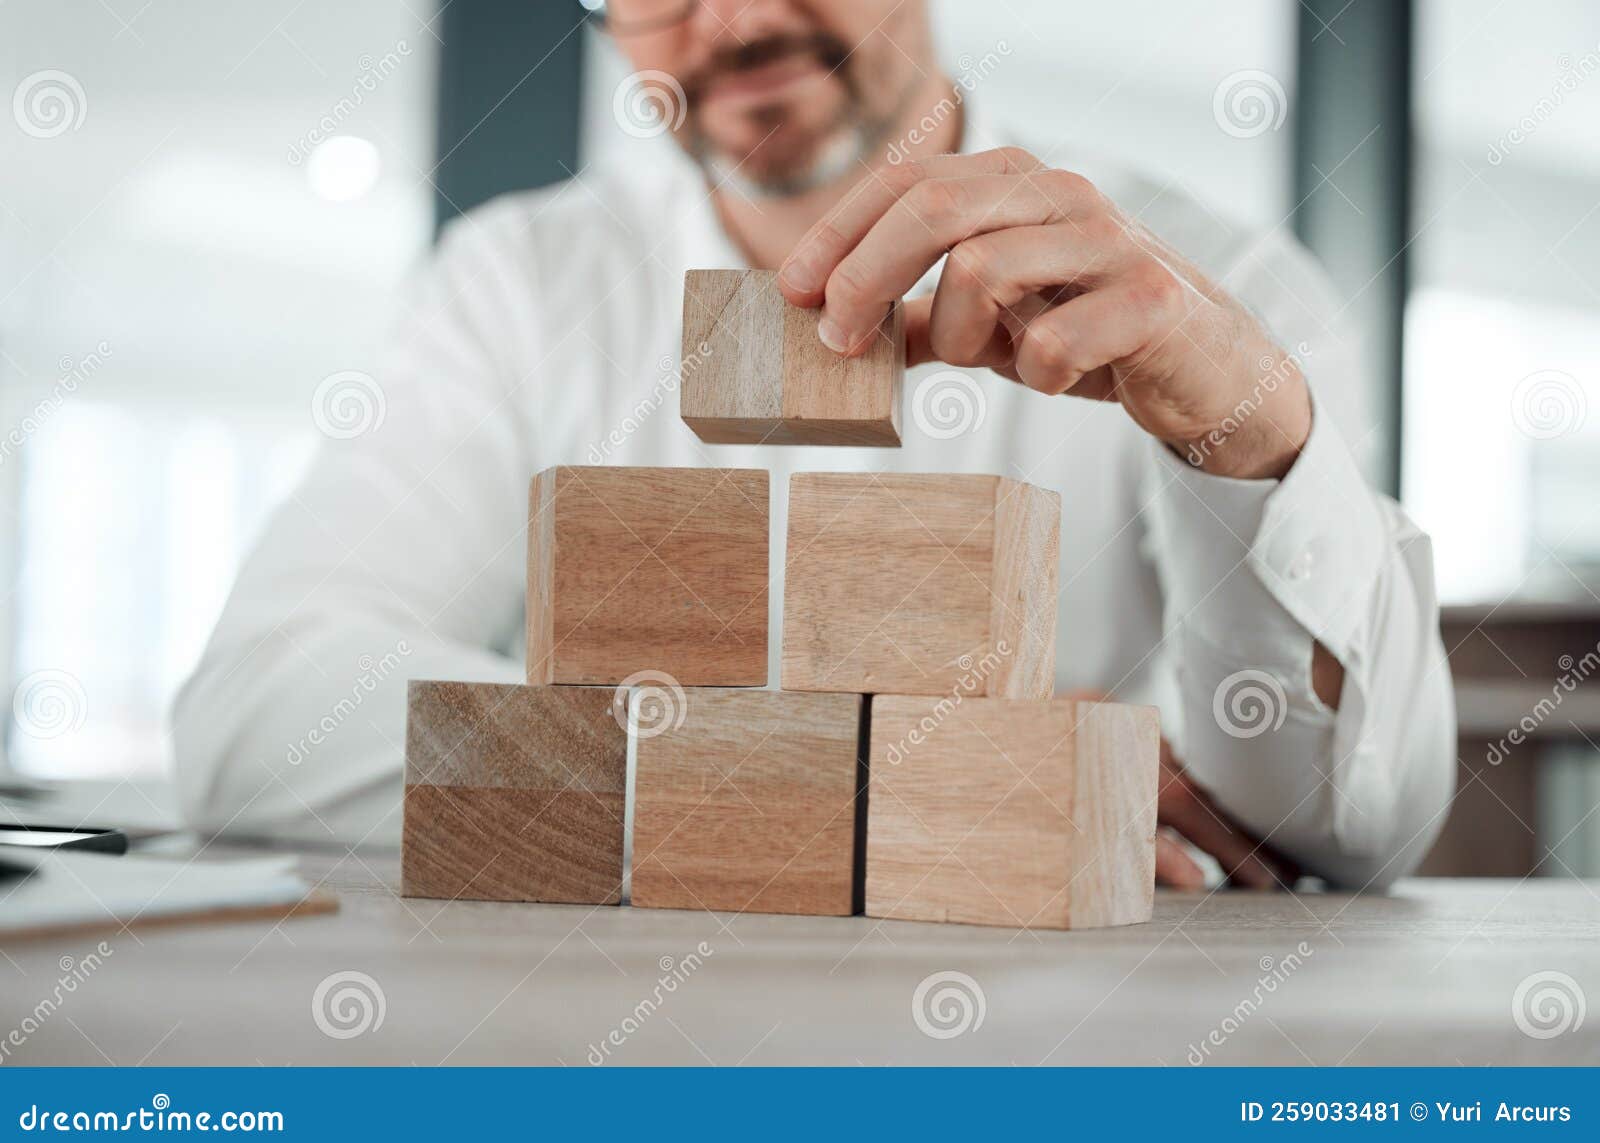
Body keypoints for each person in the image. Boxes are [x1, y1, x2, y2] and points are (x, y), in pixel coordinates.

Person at [173, 0, 1455, 890]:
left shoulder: (1209, 286)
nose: (729, 24)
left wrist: (1251, 444)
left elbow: (1351, 828)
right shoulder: (517, 282)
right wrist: (859, 780)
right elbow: (260, 712)